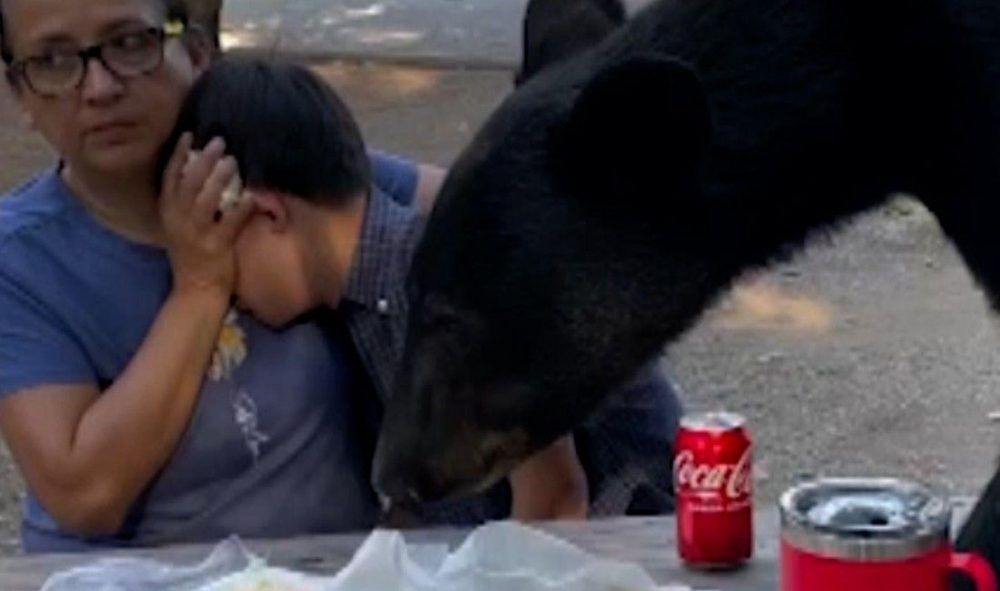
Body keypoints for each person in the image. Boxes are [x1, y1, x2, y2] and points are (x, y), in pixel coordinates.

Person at [163, 58, 685, 525]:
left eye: (218, 250)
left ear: (267, 213)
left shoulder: (459, 291)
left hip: (630, 546)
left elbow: (556, 502)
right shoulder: (358, 301)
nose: (228, 293)